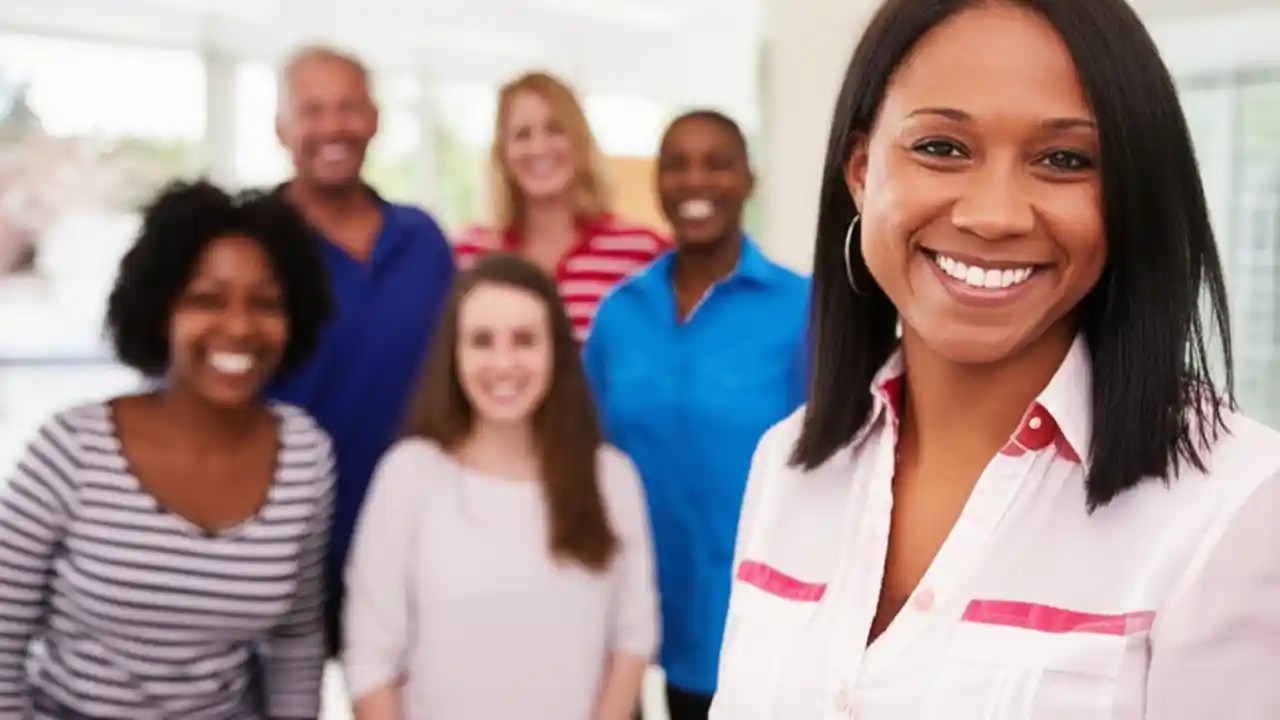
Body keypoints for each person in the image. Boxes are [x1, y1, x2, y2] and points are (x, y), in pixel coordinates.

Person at [710, 0, 1280, 718]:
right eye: (941, 147)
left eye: (1064, 160)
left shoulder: (1238, 504)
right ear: (860, 171)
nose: (994, 215)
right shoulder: (787, 466)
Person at [0, 181, 335, 719]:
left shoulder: (304, 455)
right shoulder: (72, 450)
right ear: (161, 311)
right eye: (207, 300)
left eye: (266, 303)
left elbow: (296, 642)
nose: (239, 326)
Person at [342, 253, 658, 719]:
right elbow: (371, 661)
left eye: (525, 340)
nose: (504, 363)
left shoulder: (611, 478)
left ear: (556, 351)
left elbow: (632, 639)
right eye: (482, 341)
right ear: (454, 354)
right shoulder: (408, 476)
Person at [583, 111, 810, 720]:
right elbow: (583, 454)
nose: (695, 180)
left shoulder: (801, 310)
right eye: (677, 164)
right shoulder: (620, 314)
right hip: (625, 607)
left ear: (749, 179)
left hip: (743, 619)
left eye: (717, 163)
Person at [264, 44, 455, 654]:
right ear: (281, 127)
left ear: (374, 119)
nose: (332, 127)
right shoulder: (251, 244)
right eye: (311, 110)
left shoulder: (423, 241)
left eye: (348, 107)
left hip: (413, 544)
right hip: (277, 548)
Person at [454, 71, 668, 343]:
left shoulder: (641, 252)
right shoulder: (469, 254)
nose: (539, 147)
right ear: (502, 154)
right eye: (522, 135)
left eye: (554, 130)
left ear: (580, 141)